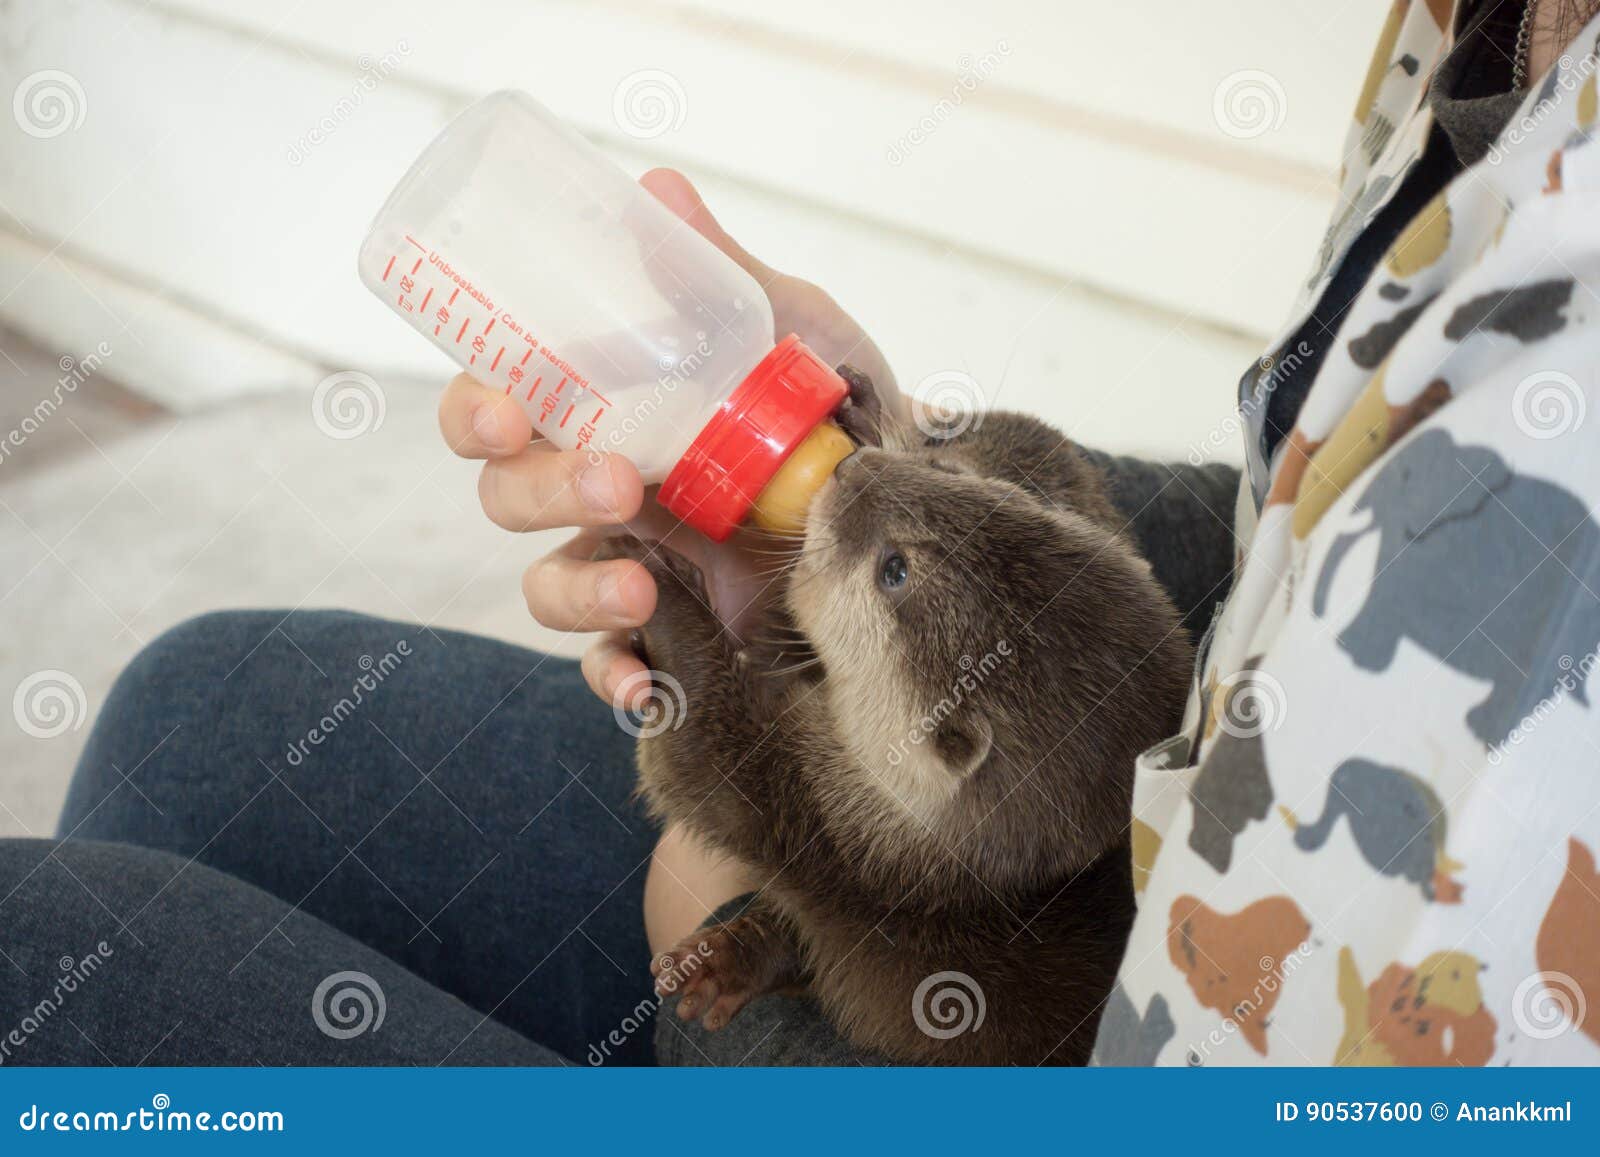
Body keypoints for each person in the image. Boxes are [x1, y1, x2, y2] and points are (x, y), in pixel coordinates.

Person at [2, 0, 1597, 1066]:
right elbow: (1306, 530)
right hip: (1140, 875)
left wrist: (723, 982)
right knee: (195, 714)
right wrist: (900, 453)